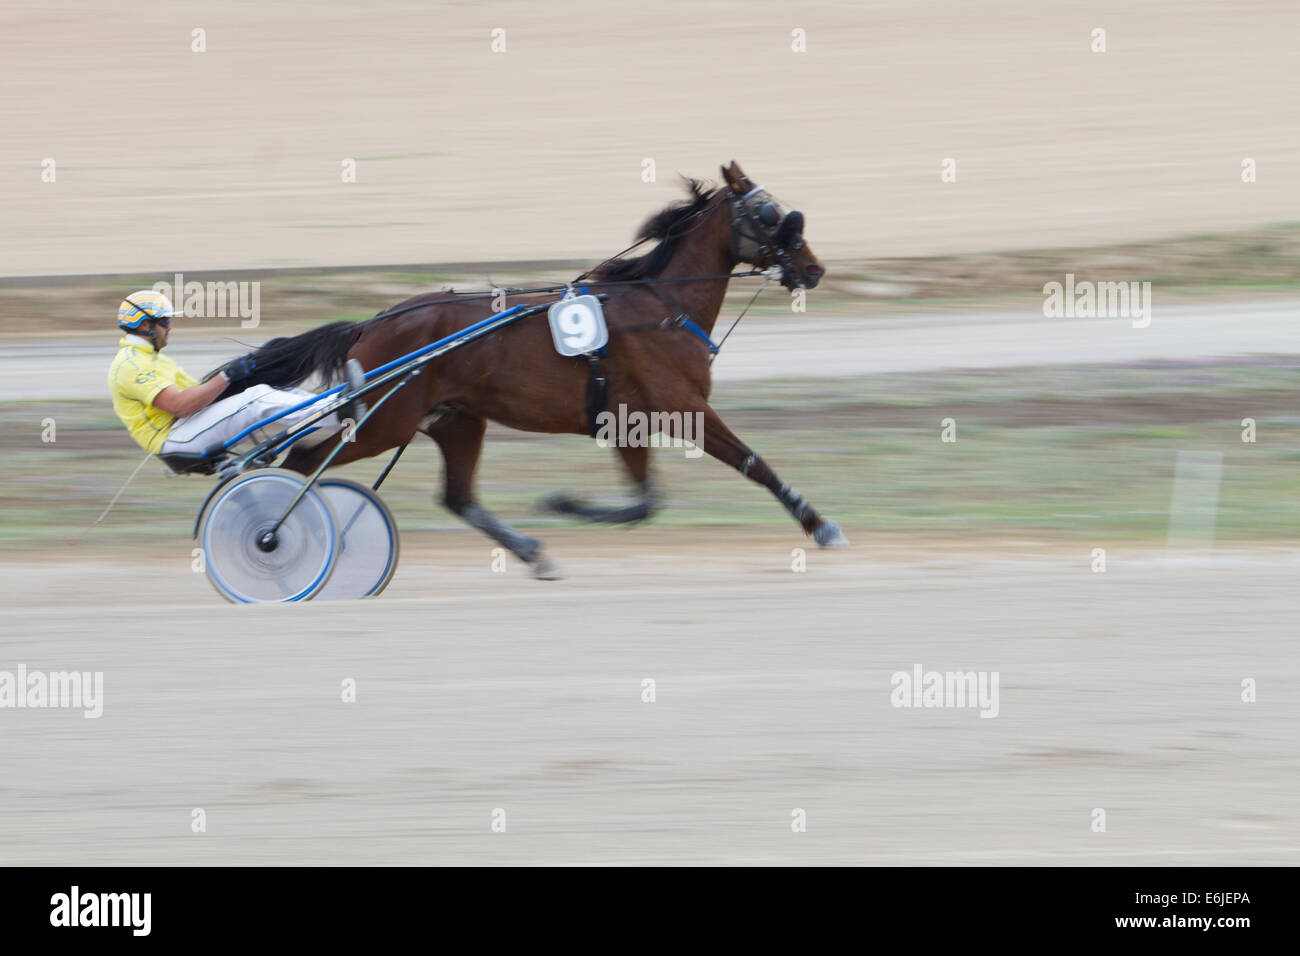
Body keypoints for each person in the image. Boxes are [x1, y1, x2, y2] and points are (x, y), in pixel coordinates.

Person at [107, 290, 358, 461]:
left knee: (271, 389)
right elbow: (181, 406)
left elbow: (195, 396)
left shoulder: (151, 358)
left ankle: (334, 407)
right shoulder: (131, 365)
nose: (169, 327)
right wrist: (227, 376)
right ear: (143, 325)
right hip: (174, 439)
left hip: (187, 427)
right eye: (164, 321)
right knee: (256, 398)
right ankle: (337, 412)